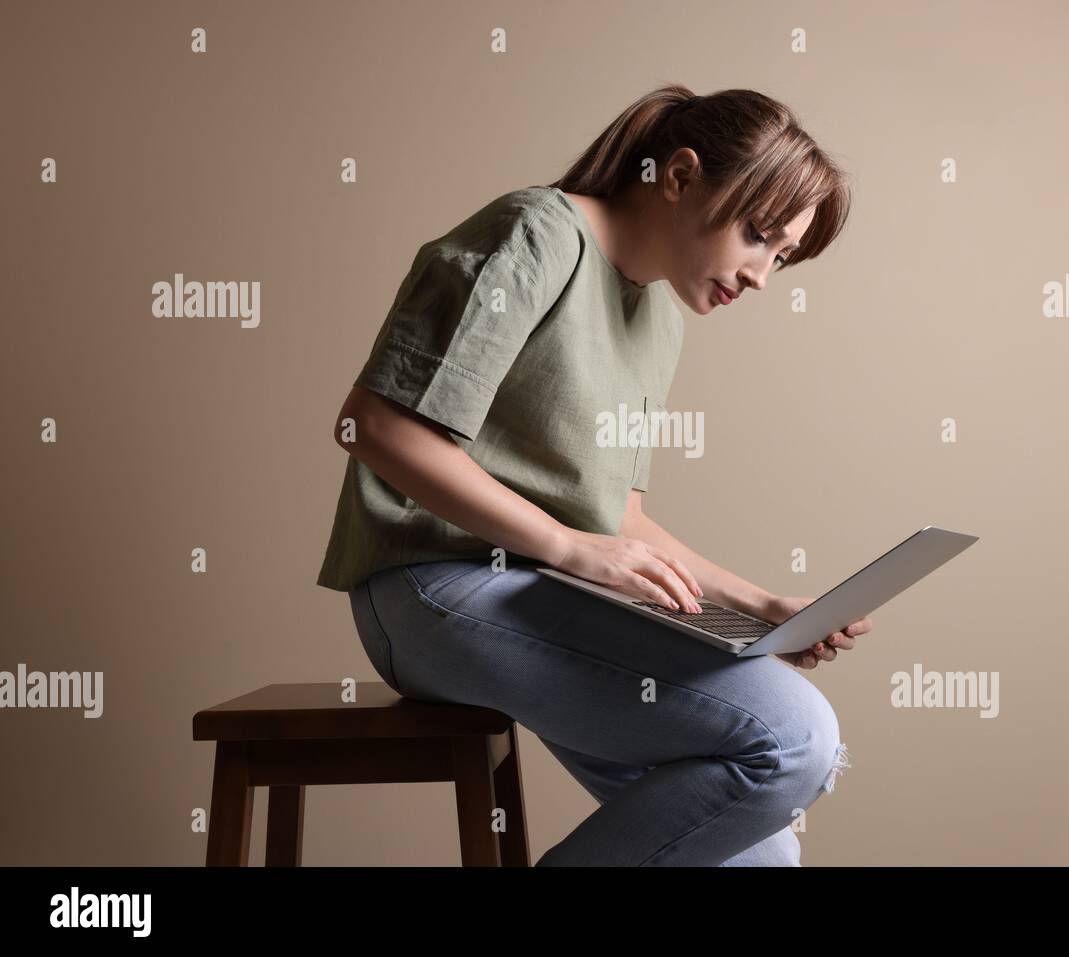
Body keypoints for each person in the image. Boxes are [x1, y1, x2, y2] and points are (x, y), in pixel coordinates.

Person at [316, 85, 870, 866]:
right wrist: (570, 549)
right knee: (797, 736)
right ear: (678, 176)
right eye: (758, 236)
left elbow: (618, 520)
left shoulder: (660, 319)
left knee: (759, 857)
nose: (761, 278)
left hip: (545, 592)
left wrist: (761, 606)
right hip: (428, 589)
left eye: (780, 259)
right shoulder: (535, 234)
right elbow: (373, 426)